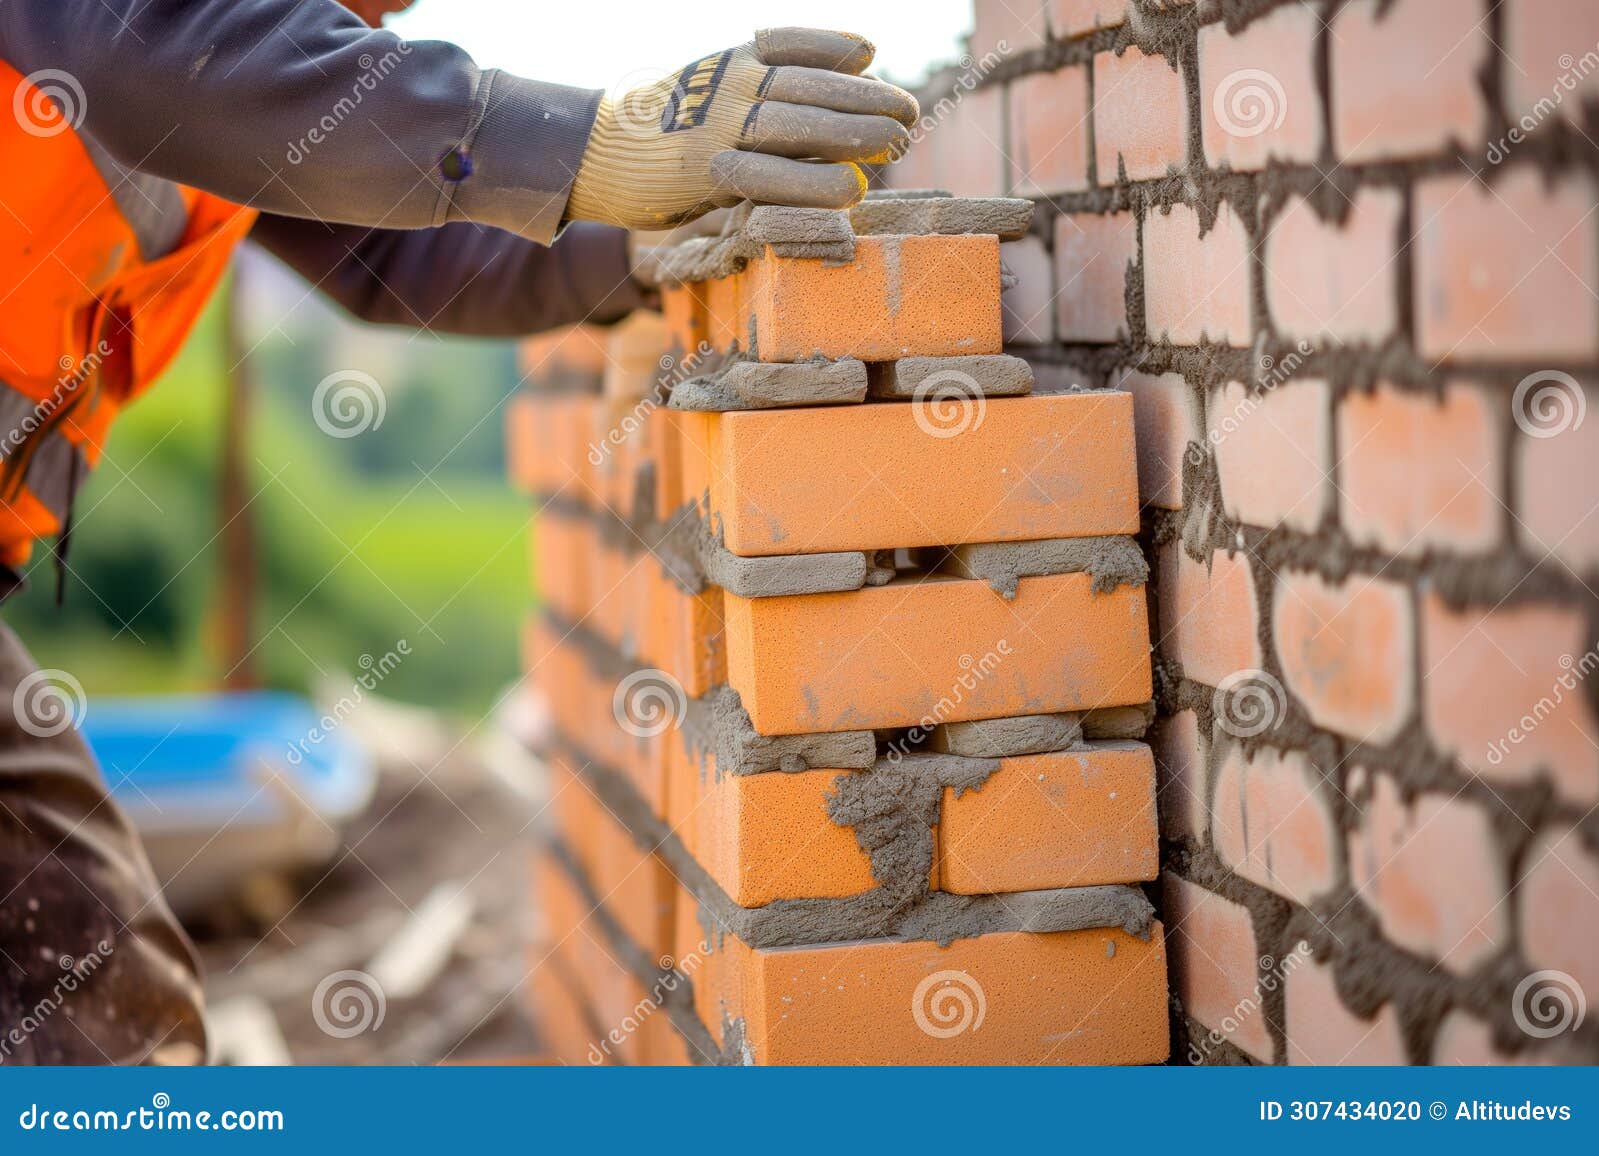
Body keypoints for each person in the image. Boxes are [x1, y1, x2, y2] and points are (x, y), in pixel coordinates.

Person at [0, 0, 917, 1064]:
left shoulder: (256, 79)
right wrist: (588, 137)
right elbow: (148, 52)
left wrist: (638, 237)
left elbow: (402, 253)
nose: (398, 13)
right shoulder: (169, 40)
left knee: (90, 996)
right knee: (90, 1004)